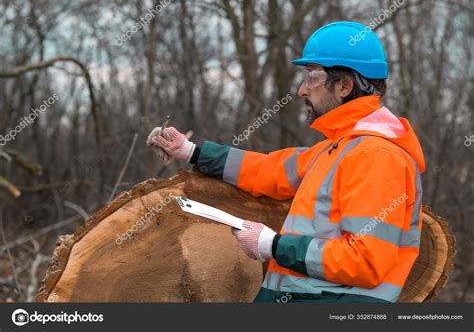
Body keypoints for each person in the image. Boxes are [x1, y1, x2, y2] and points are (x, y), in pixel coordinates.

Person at [146, 21, 425, 303]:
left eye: (311, 78)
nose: (302, 90)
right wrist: (191, 151)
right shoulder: (337, 149)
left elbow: (364, 261)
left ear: (343, 86)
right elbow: (269, 170)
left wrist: (273, 245)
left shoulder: (377, 156)